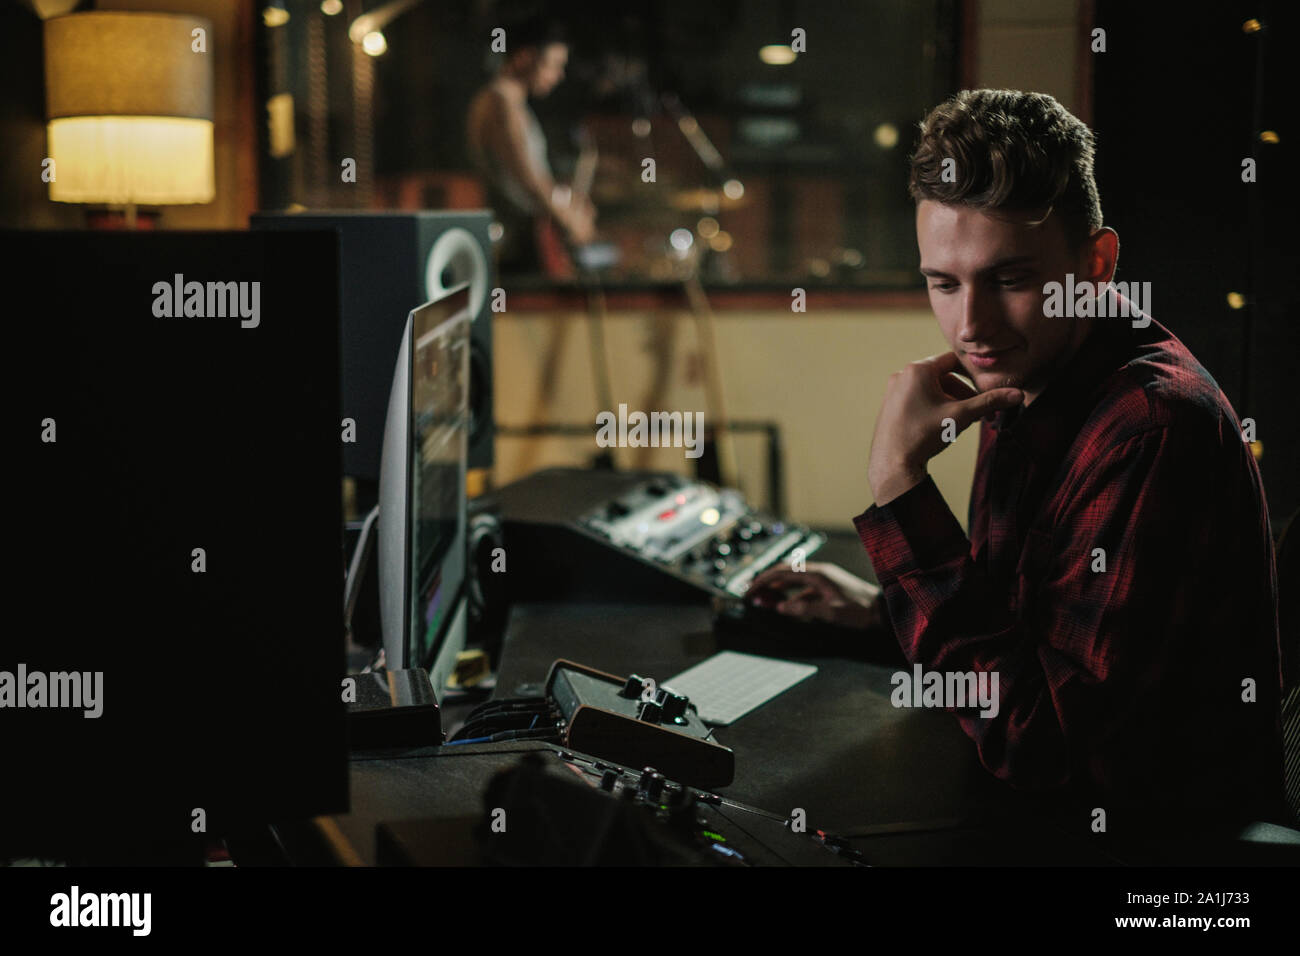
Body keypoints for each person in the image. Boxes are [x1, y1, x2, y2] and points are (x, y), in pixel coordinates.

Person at [747, 89, 1289, 837]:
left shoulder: (1152, 429)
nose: (972, 326)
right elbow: (1024, 637)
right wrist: (881, 611)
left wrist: (900, 490)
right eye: (943, 283)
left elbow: (1037, 740)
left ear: (1097, 263)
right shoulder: (1033, 373)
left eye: (1009, 281)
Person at [466, 17, 595, 274]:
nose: (559, 76)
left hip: (527, 237)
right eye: (553, 65)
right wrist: (569, 219)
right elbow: (528, 180)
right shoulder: (500, 102)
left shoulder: (514, 103)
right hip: (515, 244)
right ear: (524, 57)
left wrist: (569, 201)